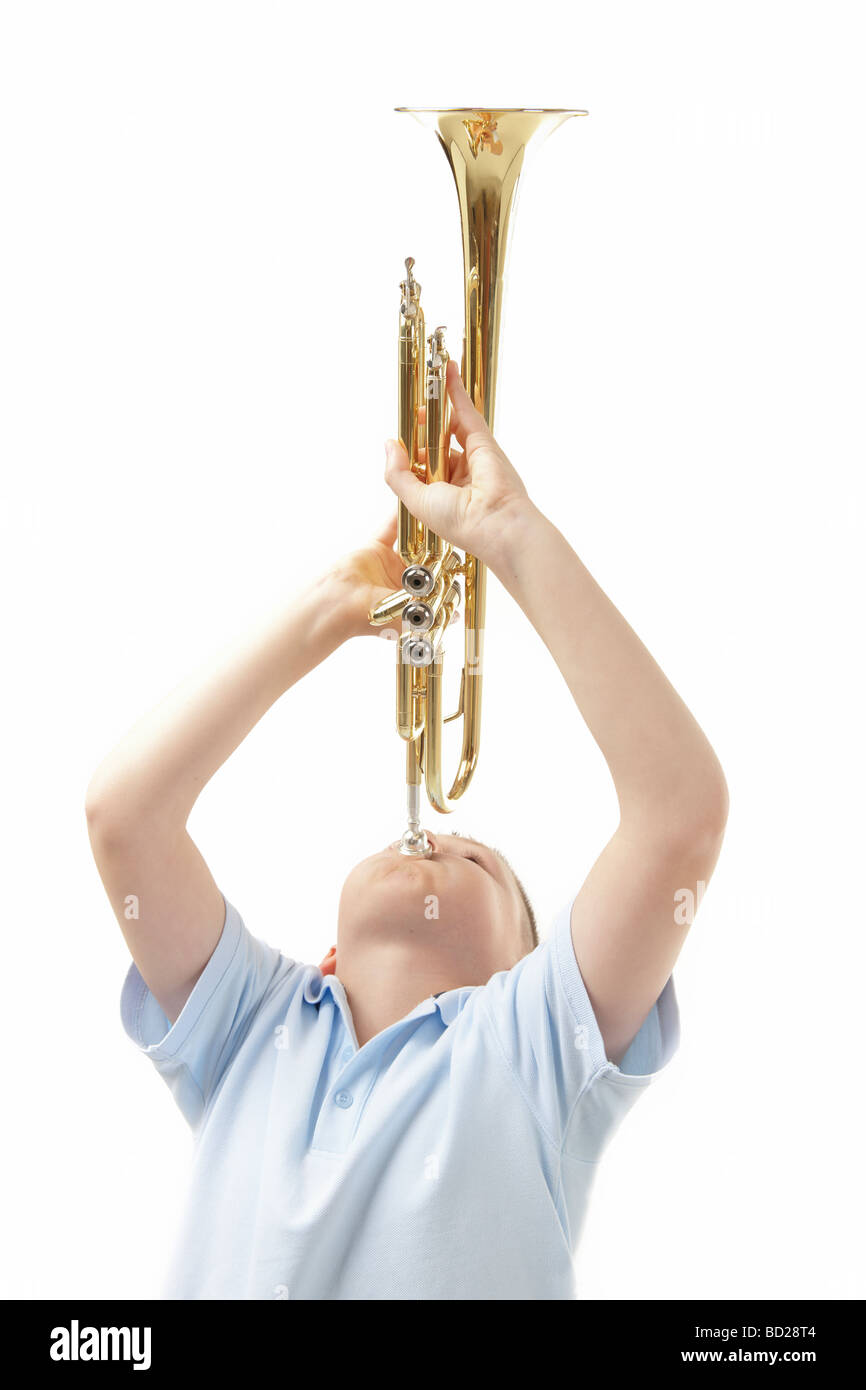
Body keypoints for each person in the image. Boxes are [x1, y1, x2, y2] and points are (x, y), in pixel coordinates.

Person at [86, 361, 728, 1299]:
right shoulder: (258, 1023)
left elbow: (680, 816)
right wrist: (331, 606)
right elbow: (124, 814)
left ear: (527, 968)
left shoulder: (530, 1041)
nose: (436, 840)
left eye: (482, 860)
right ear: (329, 958)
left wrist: (513, 538)